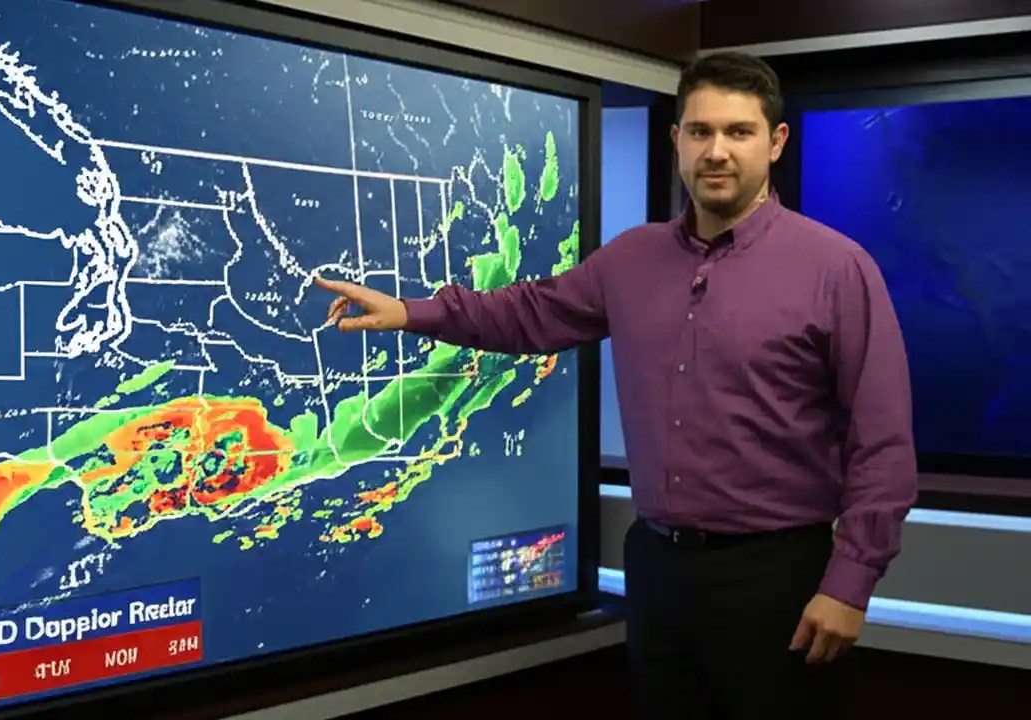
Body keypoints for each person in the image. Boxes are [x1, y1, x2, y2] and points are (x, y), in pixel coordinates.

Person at [315, 50, 917, 718]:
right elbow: (528, 312)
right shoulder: (631, 259)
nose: (716, 151)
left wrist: (851, 581)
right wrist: (409, 313)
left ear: (775, 142)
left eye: (738, 132)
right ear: (677, 141)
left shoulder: (836, 268)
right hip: (659, 569)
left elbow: (883, 443)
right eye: (700, 132)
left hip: (778, 577)